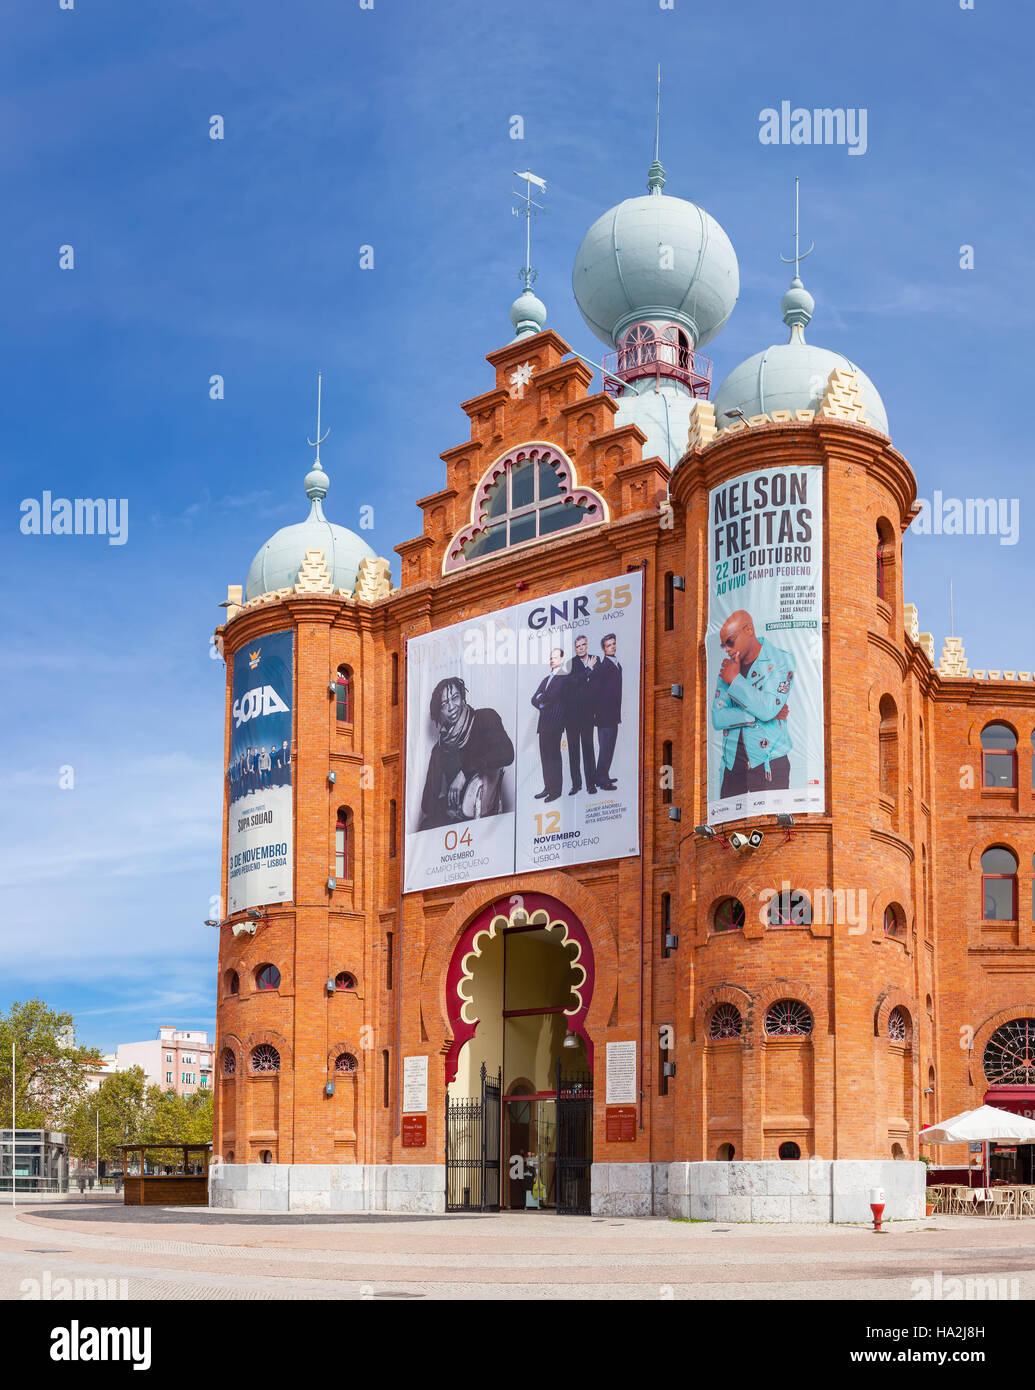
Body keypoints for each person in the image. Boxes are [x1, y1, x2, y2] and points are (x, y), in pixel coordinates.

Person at [710, 609, 794, 799]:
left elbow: (767, 708)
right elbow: (718, 718)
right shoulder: (727, 669)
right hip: (732, 768)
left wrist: (735, 681)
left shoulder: (781, 660)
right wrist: (758, 714)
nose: (727, 649)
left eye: (730, 641)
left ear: (749, 630)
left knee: (772, 827)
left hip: (769, 763)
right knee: (730, 829)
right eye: (723, 644)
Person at [419, 677, 515, 830]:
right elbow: (427, 805)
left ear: (463, 698)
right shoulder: (439, 749)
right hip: (455, 826)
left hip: (485, 818)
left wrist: (464, 773)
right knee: (426, 826)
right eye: (444, 704)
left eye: (455, 698)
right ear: (440, 712)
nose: (451, 707)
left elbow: (507, 753)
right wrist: (447, 805)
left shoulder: (485, 718)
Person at [530, 648, 570, 803]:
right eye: (550, 657)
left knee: (553, 757)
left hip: (555, 723)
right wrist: (542, 703)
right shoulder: (546, 679)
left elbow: (552, 697)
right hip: (543, 724)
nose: (552, 660)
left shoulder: (563, 678)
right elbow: (534, 698)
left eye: (555, 657)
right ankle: (548, 787)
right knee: (545, 757)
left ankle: (556, 791)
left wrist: (542, 699)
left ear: (561, 659)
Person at [564, 634, 597, 795]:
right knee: (573, 751)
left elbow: (599, 684)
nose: (581, 648)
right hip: (572, 717)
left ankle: (591, 785)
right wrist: (588, 670)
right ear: (575, 648)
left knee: (588, 749)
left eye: (583, 645)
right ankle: (576, 785)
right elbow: (573, 682)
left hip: (588, 715)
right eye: (578, 646)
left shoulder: (596, 660)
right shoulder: (570, 664)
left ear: (587, 645)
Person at [589, 633, 622, 790]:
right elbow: (593, 692)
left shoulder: (617, 665)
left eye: (614, 643)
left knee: (609, 747)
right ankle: (601, 780)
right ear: (604, 649)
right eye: (609, 645)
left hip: (613, 715)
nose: (613, 646)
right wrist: (597, 714)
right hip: (605, 716)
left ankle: (603, 775)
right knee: (605, 748)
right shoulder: (602, 668)